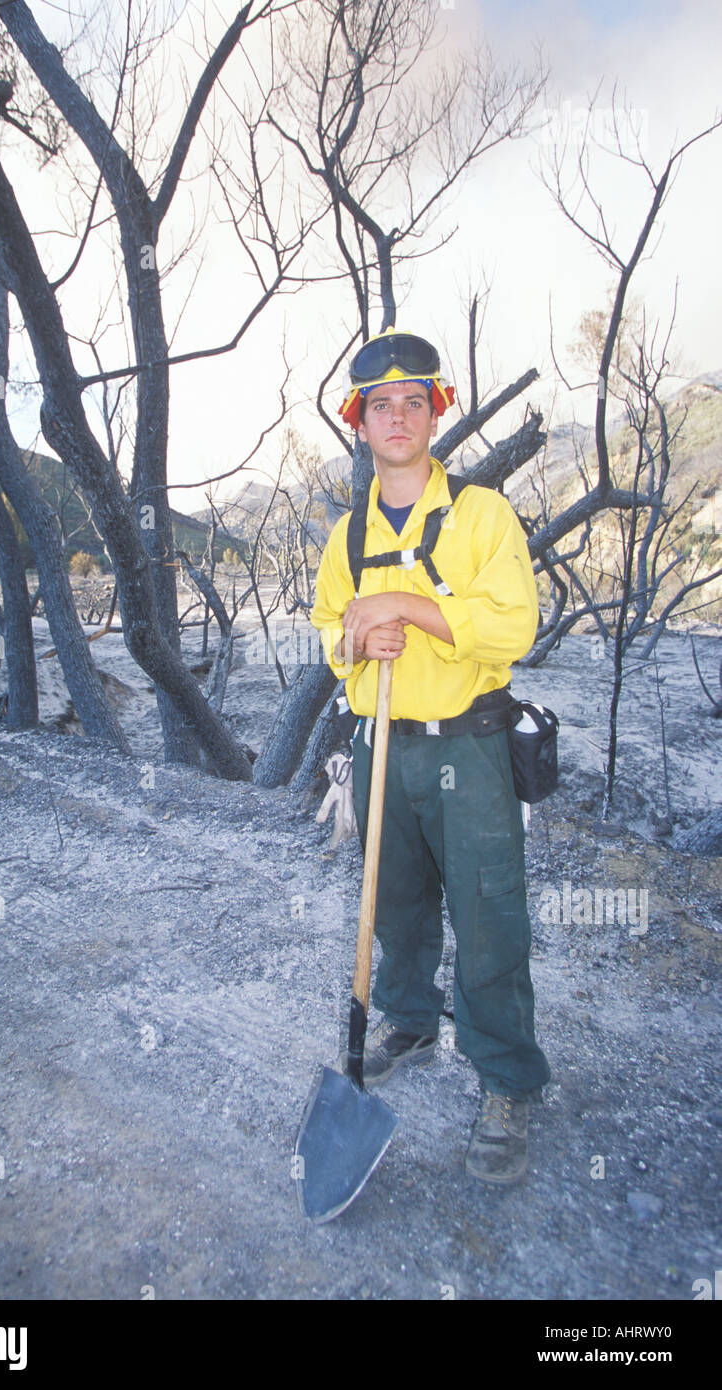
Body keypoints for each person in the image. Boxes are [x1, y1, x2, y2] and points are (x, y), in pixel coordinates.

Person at [310, 327, 550, 1184]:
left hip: (472, 749)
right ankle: (408, 1022)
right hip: (384, 750)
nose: (400, 415)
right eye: (382, 405)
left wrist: (408, 606)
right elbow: (330, 632)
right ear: (361, 424)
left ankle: (507, 1082)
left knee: (489, 920)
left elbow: (513, 624)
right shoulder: (345, 539)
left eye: (416, 400)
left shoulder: (483, 517)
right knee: (398, 906)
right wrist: (354, 635)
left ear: (437, 412)